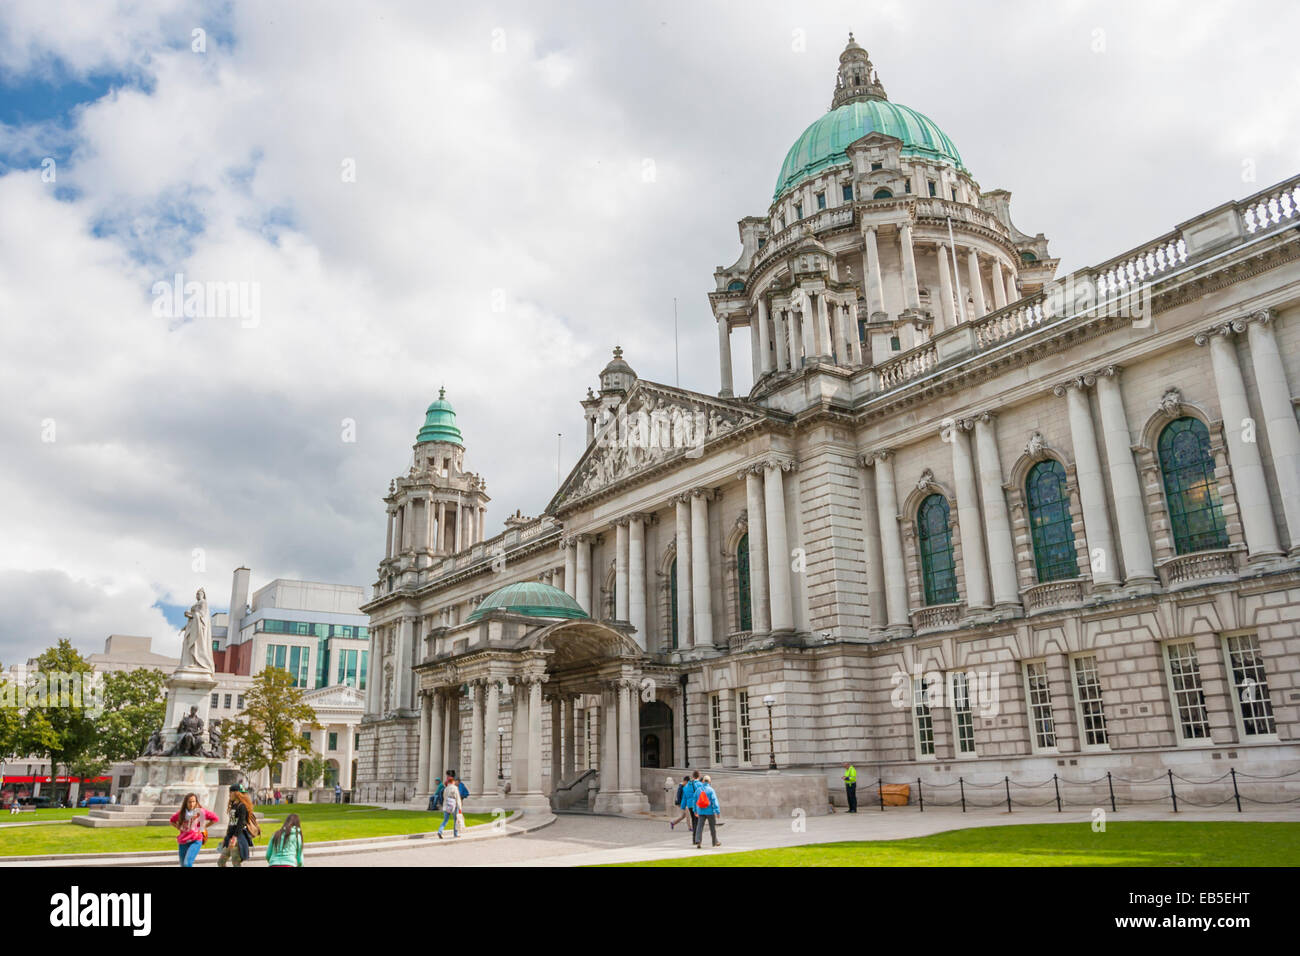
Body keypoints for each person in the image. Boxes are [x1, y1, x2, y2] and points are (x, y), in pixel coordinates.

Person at [169, 792, 219, 867]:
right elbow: (172, 821)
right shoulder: (181, 813)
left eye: (193, 801)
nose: (191, 804)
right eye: (189, 802)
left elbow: (215, 818)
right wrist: (179, 827)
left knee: (187, 863)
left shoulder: (201, 812)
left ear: (196, 802)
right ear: (186, 802)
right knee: (183, 865)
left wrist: (203, 827)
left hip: (196, 840)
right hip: (183, 841)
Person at [218, 783, 260, 867]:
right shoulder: (233, 805)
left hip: (237, 838)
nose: (229, 794)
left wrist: (234, 837)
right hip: (230, 838)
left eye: (231, 792)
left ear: (236, 793)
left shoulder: (242, 806)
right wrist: (227, 837)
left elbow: (241, 823)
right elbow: (231, 823)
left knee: (236, 863)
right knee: (221, 862)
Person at [693, 774, 721, 849]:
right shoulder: (711, 790)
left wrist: (695, 811)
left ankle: (698, 841)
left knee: (700, 826)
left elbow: (694, 800)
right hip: (710, 811)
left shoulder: (698, 790)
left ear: (702, 781)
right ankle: (714, 842)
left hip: (701, 811)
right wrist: (717, 812)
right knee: (712, 827)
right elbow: (714, 801)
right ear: (709, 781)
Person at [436, 772, 463, 838]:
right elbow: (457, 798)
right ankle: (455, 834)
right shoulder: (455, 788)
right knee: (455, 820)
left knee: (445, 820)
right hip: (454, 806)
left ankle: (440, 831)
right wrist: (460, 807)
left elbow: (444, 797)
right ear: (453, 781)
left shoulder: (446, 789)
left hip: (446, 806)